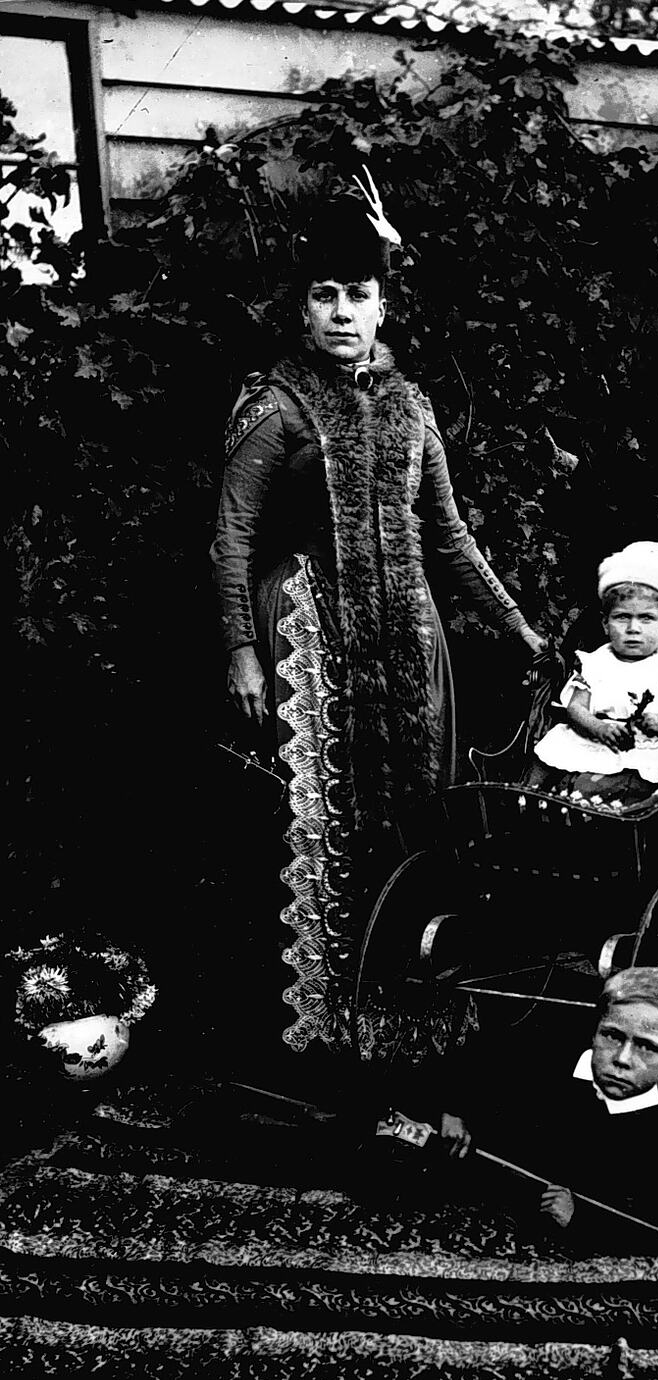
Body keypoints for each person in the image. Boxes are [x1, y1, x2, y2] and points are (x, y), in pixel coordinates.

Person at [211, 181, 546, 1071]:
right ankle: (323, 1023)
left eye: (357, 294)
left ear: (383, 306)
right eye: (323, 295)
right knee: (321, 821)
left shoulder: (412, 406)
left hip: (409, 639)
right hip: (309, 638)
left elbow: (449, 535)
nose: (340, 312)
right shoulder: (274, 404)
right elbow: (231, 535)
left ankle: (404, 1015)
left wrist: (520, 632)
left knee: (414, 818)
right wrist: (242, 651)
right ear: (301, 309)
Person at [475, 966, 658, 1244]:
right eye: (612, 1036)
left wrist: (578, 1220)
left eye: (646, 1047)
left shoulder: (651, 1131)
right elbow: (478, 1061)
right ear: (594, 1031)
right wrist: (453, 1110)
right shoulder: (548, 1052)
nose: (622, 1059)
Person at [528, 541, 658, 801]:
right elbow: (576, 707)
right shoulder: (594, 662)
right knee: (552, 758)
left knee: (644, 786)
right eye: (622, 617)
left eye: (647, 618)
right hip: (596, 739)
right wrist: (598, 727)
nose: (633, 628)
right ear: (605, 623)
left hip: (649, 745)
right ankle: (536, 803)